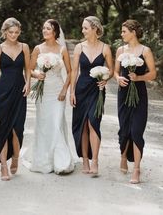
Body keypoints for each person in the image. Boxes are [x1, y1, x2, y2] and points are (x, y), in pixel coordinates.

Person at [0, 17, 30, 181]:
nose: (14, 35)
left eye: (17, 32)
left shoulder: (24, 47)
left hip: (19, 91)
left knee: (17, 129)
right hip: (3, 92)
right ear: (5, 32)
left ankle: (16, 158)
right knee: (3, 129)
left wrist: (28, 83)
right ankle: (3, 166)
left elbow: (28, 69)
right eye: (11, 32)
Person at [30, 19, 74, 174]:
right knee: (44, 124)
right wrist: (36, 74)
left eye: (48, 28)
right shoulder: (37, 49)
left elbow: (70, 72)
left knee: (57, 122)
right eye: (43, 28)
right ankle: (44, 160)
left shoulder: (62, 49)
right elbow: (29, 70)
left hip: (57, 90)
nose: (44, 31)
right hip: (43, 92)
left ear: (55, 32)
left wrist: (64, 90)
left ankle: (61, 162)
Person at [114, 19, 156, 184]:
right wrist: (118, 79)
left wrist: (138, 77)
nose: (122, 34)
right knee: (125, 129)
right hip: (123, 94)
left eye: (124, 31)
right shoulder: (120, 50)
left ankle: (136, 169)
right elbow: (116, 72)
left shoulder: (145, 51)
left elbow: (153, 74)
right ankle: (124, 156)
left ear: (133, 32)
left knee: (137, 131)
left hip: (139, 94)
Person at [70, 16, 113, 176]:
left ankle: (95, 161)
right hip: (81, 89)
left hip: (97, 90)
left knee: (93, 122)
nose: (83, 31)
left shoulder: (105, 48)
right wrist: (72, 92)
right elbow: (74, 71)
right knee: (82, 124)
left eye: (85, 28)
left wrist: (106, 79)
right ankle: (85, 160)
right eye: (82, 28)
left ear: (95, 28)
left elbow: (111, 70)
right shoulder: (79, 47)